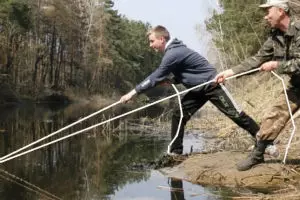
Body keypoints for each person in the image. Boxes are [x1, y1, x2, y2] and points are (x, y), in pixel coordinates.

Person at [120, 25, 260, 156]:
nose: (150, 45)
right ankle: (176, 152)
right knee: (179, 115)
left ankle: (265, 141)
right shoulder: (173, 51)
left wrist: (132, 93)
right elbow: (187, 72)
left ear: (161, 39)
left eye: (152, 41)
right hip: (198, 89)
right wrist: (172, 81)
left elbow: (155, 77)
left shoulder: (172, 54)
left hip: (212, 85)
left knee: (236, 114)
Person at [215, 0, 299, 171]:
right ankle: (257, 154)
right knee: (274, 115)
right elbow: (257, 59)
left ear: (281, 11)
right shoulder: (275, 36)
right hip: (298, 85)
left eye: (269, 11)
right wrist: (230, 72)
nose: (266, 16)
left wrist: (277, 65)